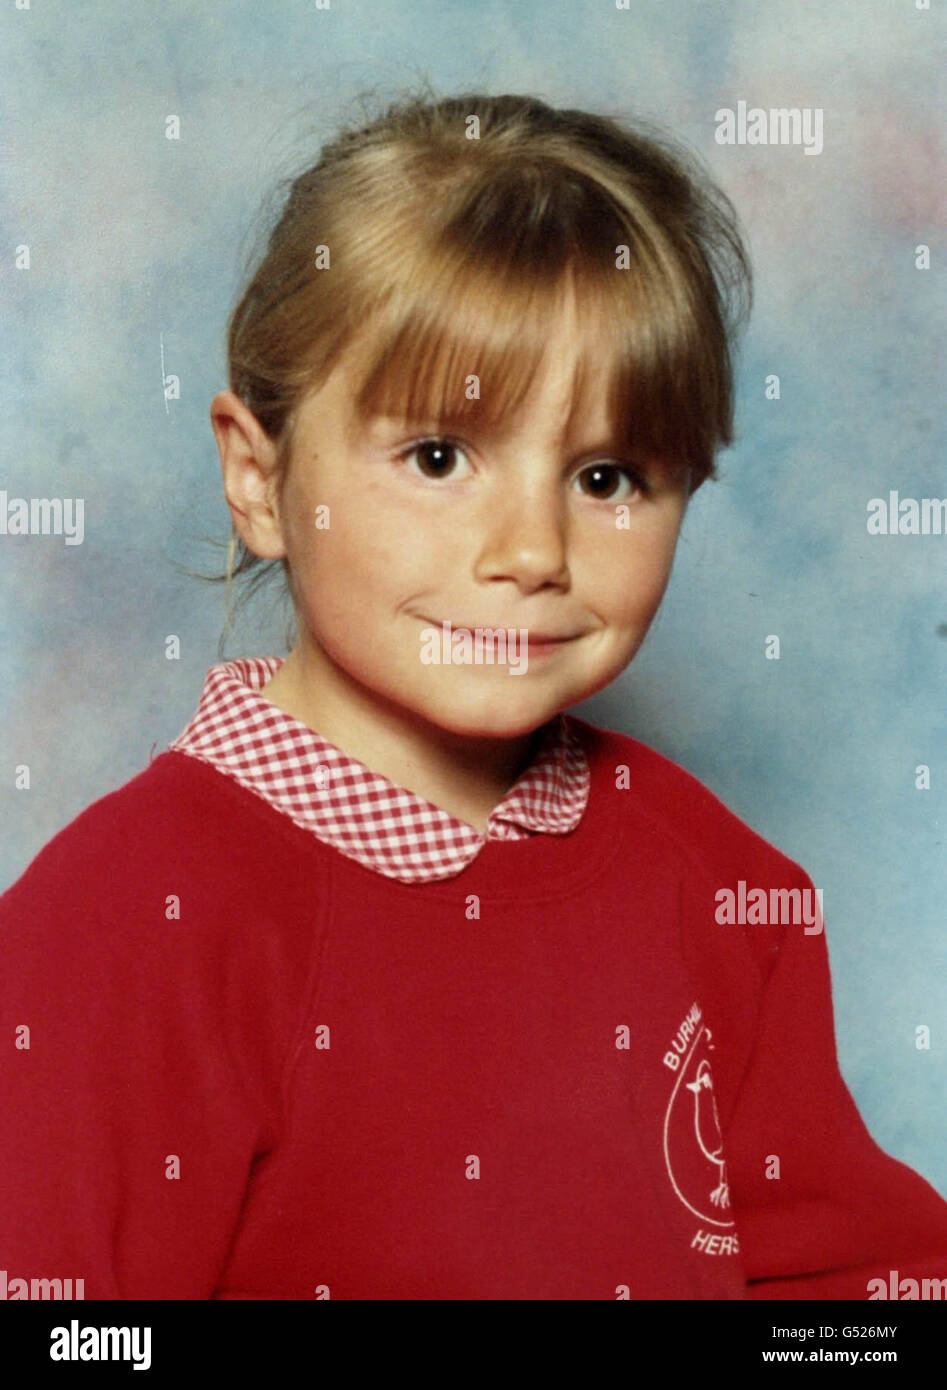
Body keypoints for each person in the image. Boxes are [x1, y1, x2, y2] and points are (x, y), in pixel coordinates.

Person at [1, 89, 945, 1301]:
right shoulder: (125, 926)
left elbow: (848, 1286)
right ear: (257, 476)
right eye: (438, 457)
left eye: (607, 475)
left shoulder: (717, 887)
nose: (531, 548)